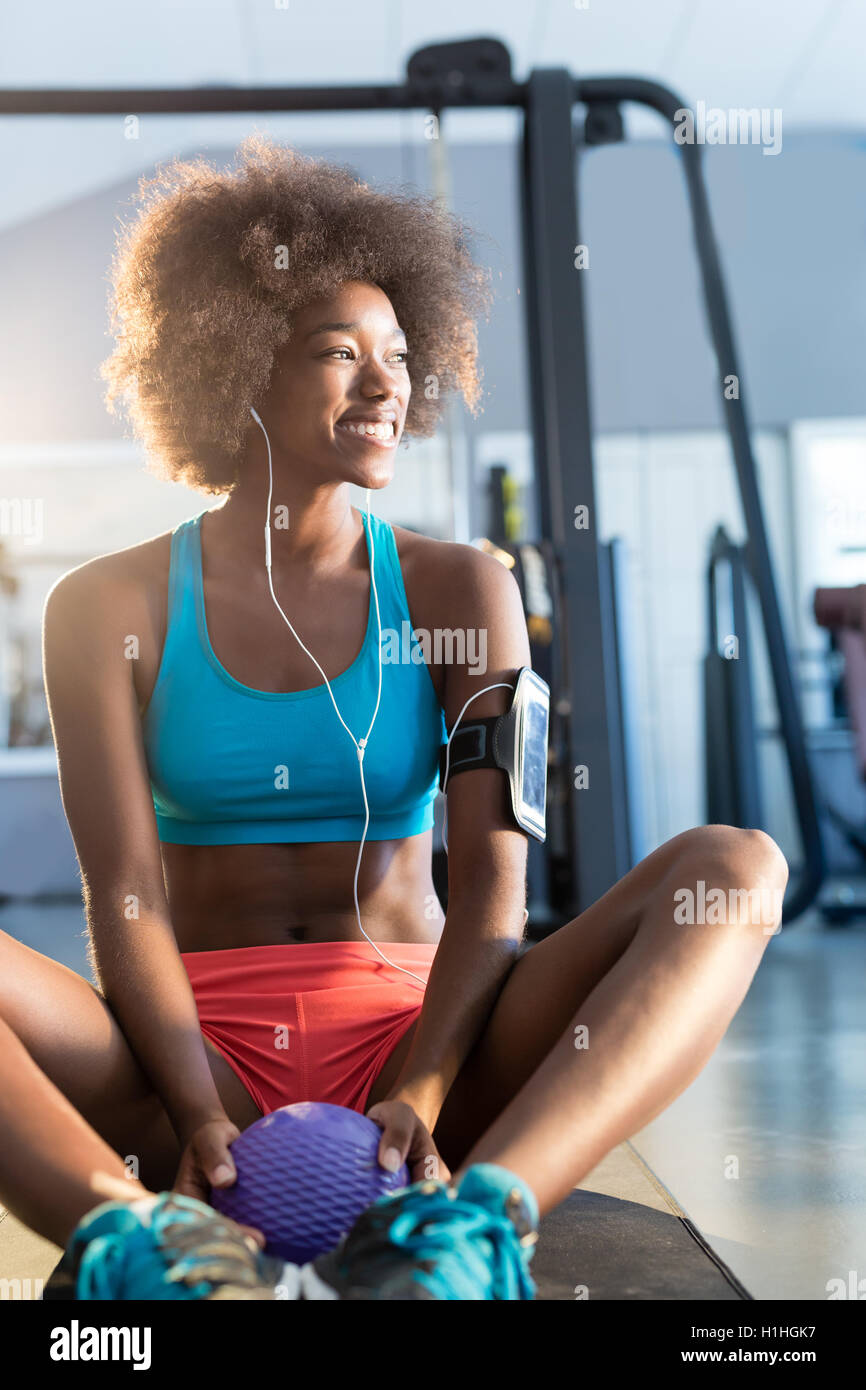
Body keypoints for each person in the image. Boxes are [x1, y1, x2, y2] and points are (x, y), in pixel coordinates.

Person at [1, 136, 788, 1300]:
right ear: (235, 363)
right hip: (187, 1049)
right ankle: (138, 1241)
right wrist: (199, 1109)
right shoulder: (103, 607)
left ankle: (477, 1221)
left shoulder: (461, 588)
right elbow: (127, 898)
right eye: (338, 353)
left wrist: (420, 1092)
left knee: (734, 864)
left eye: (400, 356)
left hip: (422, 1039)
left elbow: (494, 889)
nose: (387, 385)